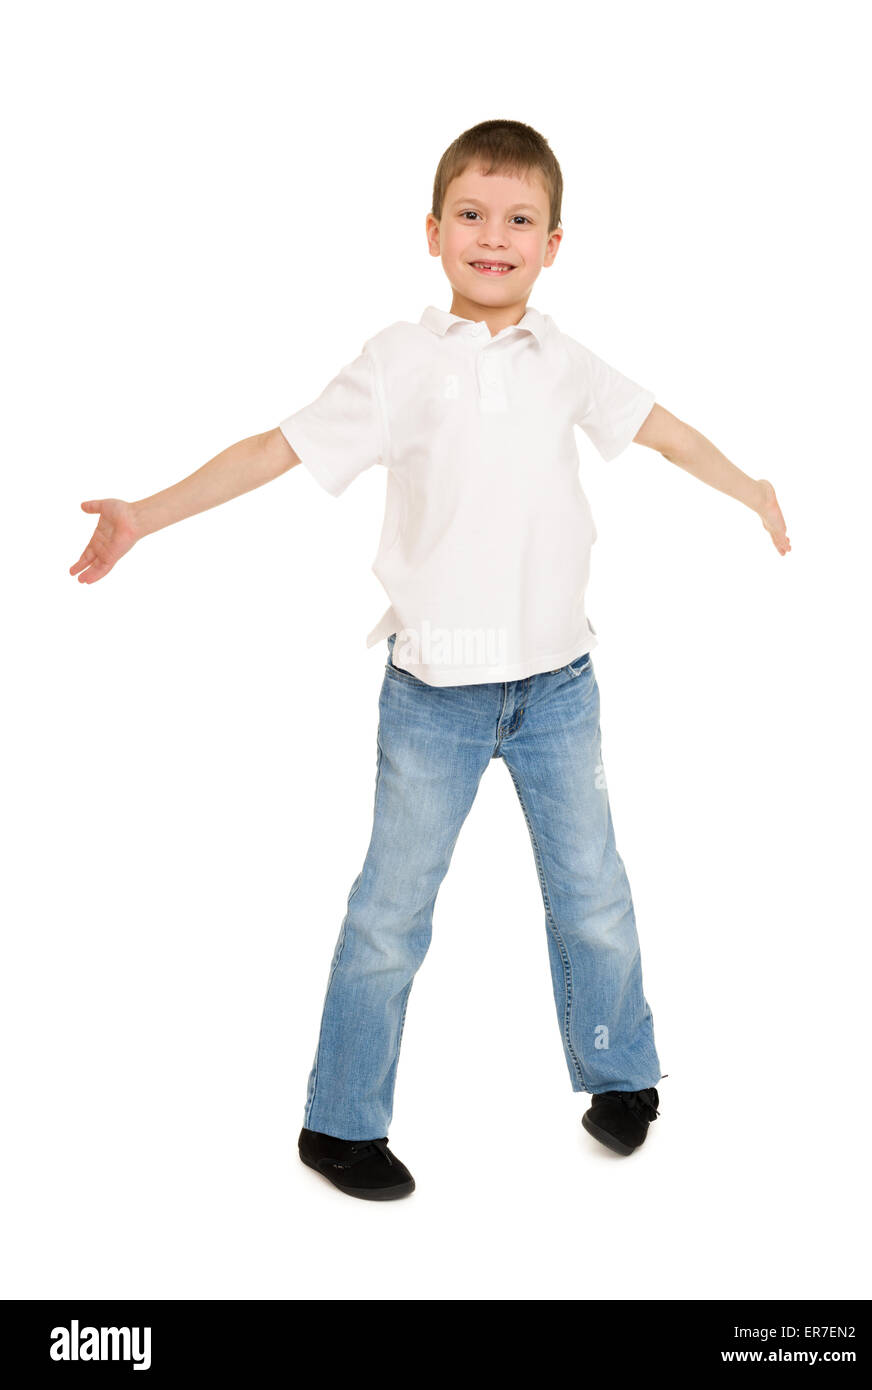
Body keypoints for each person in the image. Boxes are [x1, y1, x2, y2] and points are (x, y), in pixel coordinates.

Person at [70, 118, 791, 1203]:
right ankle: (340, 1121)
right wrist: (147, 514)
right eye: (471, 214)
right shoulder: (399, 362)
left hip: (558, 686)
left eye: (518, 221)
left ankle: (621, 1072)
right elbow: (276, 447)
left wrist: (749, 484)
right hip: (434, 696)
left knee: (592, 888)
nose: (491, 237)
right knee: (392, 906)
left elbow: (663, 429)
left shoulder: (565, 361)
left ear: (554, 243)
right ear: (432, 230)